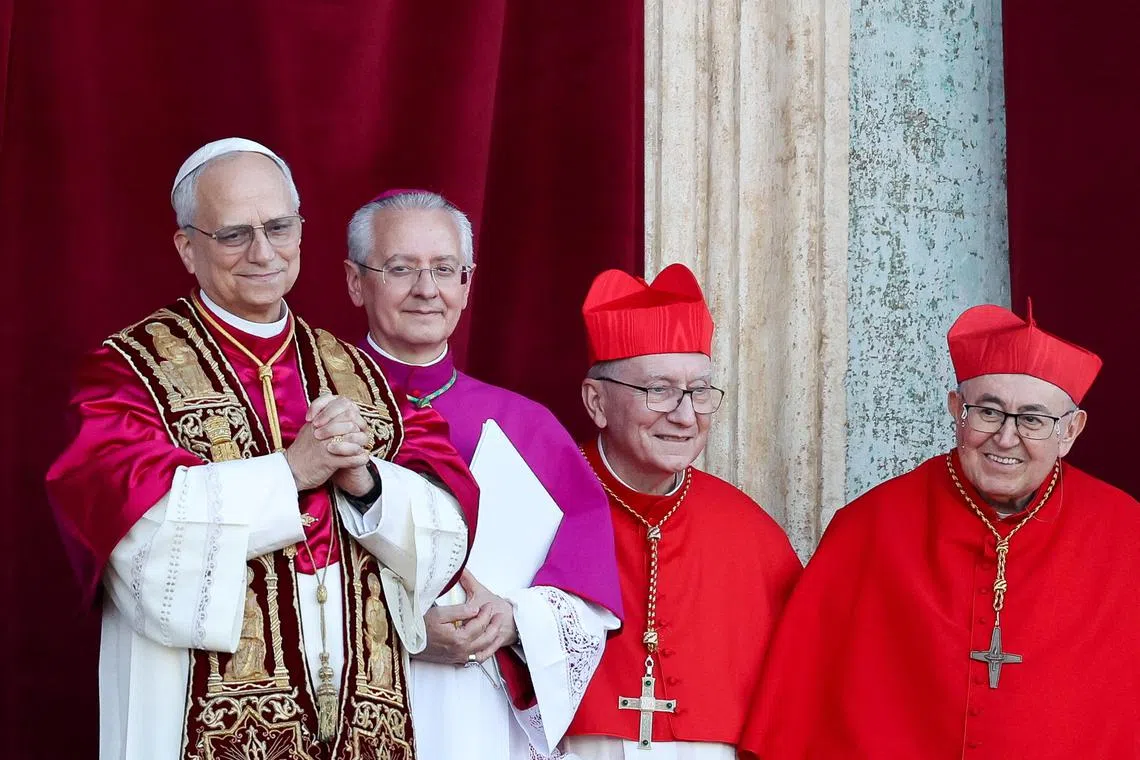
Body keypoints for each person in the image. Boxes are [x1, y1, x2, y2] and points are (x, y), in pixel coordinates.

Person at [46, 139, 479, 760]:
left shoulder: (359, 374)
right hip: (194, 711)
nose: (263, 252)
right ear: (186, 248)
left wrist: (366, 483)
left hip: (360, 718)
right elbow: (136, 540)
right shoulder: (128, 372)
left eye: (279, 227)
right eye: (233, 235)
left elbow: (449, 523)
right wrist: (290, 473)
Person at [739, 302, 1140, 759]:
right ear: (956, 410)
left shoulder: (1126, 535)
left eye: (1033, 420)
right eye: (988, 412)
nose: (1006, 438)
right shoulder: (869, 527)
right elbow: (795, 719)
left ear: (1071, 432)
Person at [345, 189, 623, 758]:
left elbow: (587, 596)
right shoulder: (312, 410)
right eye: (401, 269)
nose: (427, 290)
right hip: (347, 705)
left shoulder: (528, 427)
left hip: (482, 718)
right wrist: (405, 630)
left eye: (445, 269)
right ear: (355, 281)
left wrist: (514, 617)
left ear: (467, 284)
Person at [562, 264, 802, 759]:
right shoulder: (541, 500)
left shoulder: (752, 534)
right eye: (660, 390)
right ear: (597, 402)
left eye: (699, 391)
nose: (685, 414)